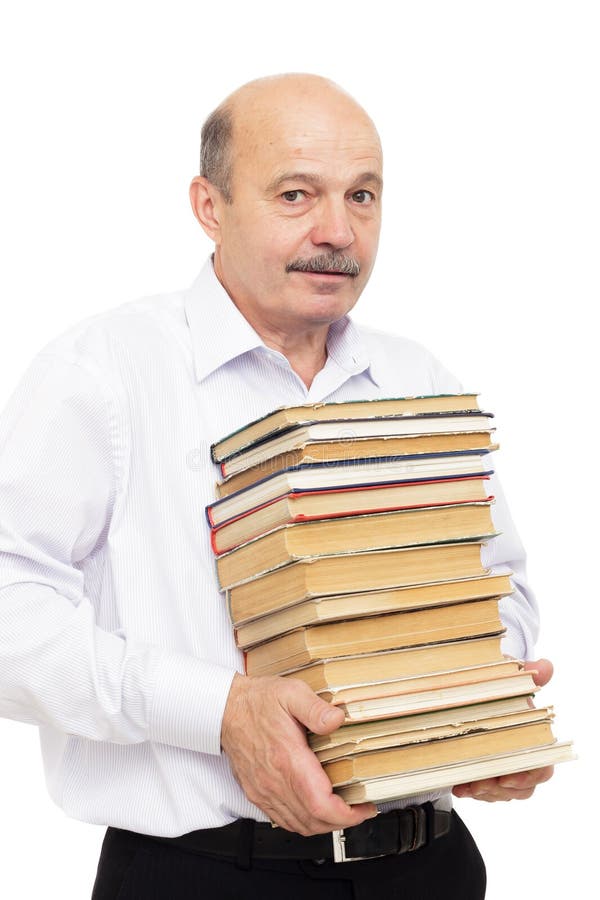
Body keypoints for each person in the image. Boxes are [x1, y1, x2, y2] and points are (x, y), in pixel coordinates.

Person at [0, 73, 553, 899]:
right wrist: (219, 710)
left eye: (362, 196)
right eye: (296, 194)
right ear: (208, 206)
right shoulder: (104, 375)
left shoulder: (416, 378)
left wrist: (474, 705)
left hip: (429, 867)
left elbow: (499, 589)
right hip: (203, 877)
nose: (338, 231)